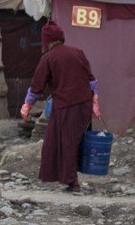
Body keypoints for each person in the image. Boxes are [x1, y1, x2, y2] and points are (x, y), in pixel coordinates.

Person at [20, 20, 100, 192]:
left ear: (46, 41)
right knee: (70, 141)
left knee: (66, 143)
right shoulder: (78, 52)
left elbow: (37, 87)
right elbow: (92, 81)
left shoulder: (48, 58)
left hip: (67, 106)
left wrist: (27, 105)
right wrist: (95, 104)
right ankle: (68, 178)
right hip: (83, 104)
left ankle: (72, 182)